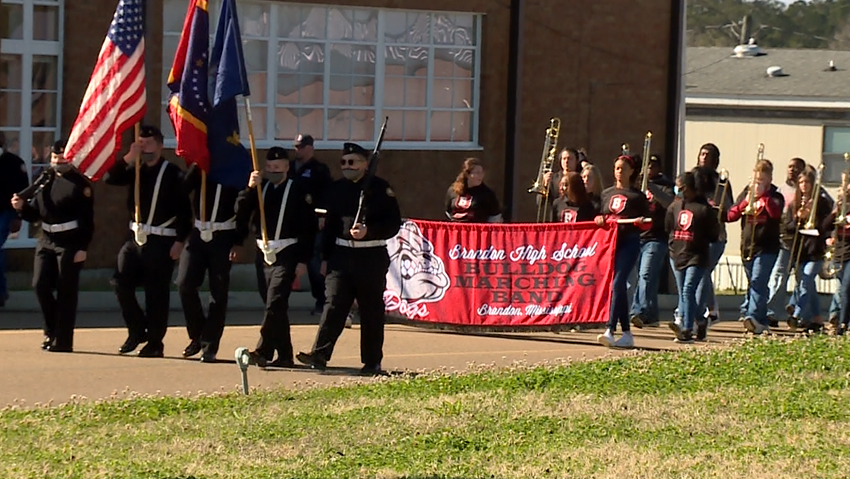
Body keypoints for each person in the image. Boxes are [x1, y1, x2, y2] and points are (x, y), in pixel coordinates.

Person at [296, 142, 402, 375]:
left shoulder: (380, 189)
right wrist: (324, 257)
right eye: (343, 162)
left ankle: (372, 361)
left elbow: (393, 223)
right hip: (341, 255)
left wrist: (369, 232)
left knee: (371, 310)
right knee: (333, 305)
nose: (347, 166)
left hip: (370, 256)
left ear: (365, 164)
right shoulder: (337, 189)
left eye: (352, 162)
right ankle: (320, 354)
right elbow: (331, 226)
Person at [104, 125, 193, 358]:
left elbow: (185, 211)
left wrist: (180, 241)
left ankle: (155, 342)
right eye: (141, 143)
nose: (145, 148)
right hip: (134, 238)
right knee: (120, 282)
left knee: (156, 293)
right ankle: (136, 330)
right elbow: (110, 178)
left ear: (160, 145)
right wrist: (128, 157)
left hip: (162, 239)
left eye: (149, 143)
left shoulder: (172, 173)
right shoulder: (136, 169)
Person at [10, 140, 94, 351]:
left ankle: (63, 340)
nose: (59, 161)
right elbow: (35, 214)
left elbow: (87, 221)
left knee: (66, 291)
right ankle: (51, 330)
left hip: (70, 241)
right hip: (46, 238)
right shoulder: (44, 180)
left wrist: (82, 247)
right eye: (55, 158)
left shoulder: (80, 185)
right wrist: (21, 208)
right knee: (39, 284)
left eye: (63, 157)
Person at [236, 147, 314, 368]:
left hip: (287, 253)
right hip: (263, 254)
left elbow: (308, 229)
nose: (273, 171)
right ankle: (285, 355)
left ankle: (262, 350)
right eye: (270, 168)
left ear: (287, 168)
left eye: (277, 168)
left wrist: (303, 260)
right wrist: (250, 189)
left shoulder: (298, 190)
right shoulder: (262, 189)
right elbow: (240, 212)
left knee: (275, 301)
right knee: (274, 306)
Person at [175, 163, 243, 363]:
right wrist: (196, 166)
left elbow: (245, 207)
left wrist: (239, 241)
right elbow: (181, 190)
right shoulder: (202, 168)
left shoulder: (235, 166)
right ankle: (197, 335)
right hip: (198, 234)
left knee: (218, 292)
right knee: (184, 283)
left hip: (224, 236)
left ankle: (210, 345)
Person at [595, 154, 650, 349]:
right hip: (610, 244)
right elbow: (600, 215)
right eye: (616, 168)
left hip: (629, 242)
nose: (619, 172)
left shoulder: (637, 197)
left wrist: (640, 223)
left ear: (631, 171)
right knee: (616, 286)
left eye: (623, 168)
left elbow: (648, 222)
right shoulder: (606, 194)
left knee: (618, 283)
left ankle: (610, 329)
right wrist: (599, 219)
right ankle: (626, 332)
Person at [724, 159, 784, 335]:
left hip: (767, 247)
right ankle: (762, 319)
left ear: (769, 179)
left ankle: (753, 318)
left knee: (758, 281)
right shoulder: (746, 193)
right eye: (756, 180)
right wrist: (747, 201)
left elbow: (775, 213)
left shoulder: (775, 195)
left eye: (762, 180)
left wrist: (763, 196)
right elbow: (731, 215)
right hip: (748, 245)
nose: (758, 184)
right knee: (755, 284)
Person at [665, 171, 719, 343]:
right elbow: (668, 227)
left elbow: (713, 234)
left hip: (697, 256)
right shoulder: (674, 207)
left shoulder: (704, 209)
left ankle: (687, 329)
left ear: (688, 188)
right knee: (684, 294)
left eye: (680, 187)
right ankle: (701, 321)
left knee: (688, 290)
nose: (677, 191)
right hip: (677, 254)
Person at [630, 154, 675, 328]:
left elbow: (669, 203)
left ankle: (641, 312)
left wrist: (650, 187)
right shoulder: (635, 186)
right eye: (647, 166)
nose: (649, 169)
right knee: (642, 277)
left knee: (646, 275)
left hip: (657, 237)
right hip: (638, 236)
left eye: (653, 166)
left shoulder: (666, 186)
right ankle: (650, 314)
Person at [784, 168, 831, 332]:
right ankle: (817, 320)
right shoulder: (793, 203)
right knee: (807, 285)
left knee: (806, 280)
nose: (804, 185)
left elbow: (826, 226)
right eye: (801, 182)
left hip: (815, 249)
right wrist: (798, 217)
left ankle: (796, 314)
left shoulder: (822, 203)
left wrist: (813, 215)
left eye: (807, 182)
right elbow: (787, 227)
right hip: (800, 250)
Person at [291, 134, 332, 315]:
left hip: (313, 222)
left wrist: (323, 215)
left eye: (300, 146)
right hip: (293, 222)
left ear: (310, 147)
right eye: (295, 146)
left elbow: (327, 196)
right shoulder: (290, 167)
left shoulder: (319, 169)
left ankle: (322, 300)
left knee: (314, 262)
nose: (297, 150)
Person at [694, 143, 734, 326]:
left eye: (708, 155)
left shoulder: (722, 182)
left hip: (716, 235)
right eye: (702, 154)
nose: (703, 157)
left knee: (703, 272)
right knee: (702, 273)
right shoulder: (693, 177)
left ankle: (697, 312)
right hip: (694, 234)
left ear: (715, 160)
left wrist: (719, 207)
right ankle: (712, 310)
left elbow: (729, 208)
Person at [766, 158, 805, 327]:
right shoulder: (780, 191)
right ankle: (772, 312)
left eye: (796, 168)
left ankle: (797, 312)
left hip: (804, 243)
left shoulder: (809, 190)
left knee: (803, 279)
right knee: (778, 276)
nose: (792, 170)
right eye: (790, 167)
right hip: (785, 241)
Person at [0, 132, 29, 307]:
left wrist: (18, 216)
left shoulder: (14, 163)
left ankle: (1, 292)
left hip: (5, 212)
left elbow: (23, 191)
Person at [445, 158, 503, 223]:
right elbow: (448, 212)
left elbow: (495, 216)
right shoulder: (453, 191)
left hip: (476, 231)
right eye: (477, 173)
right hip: (457, 230)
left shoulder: (487, 193)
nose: (480, 176)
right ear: (467, 175)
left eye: (482, 173)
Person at [827, 178, 850, 335]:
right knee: (842, 290)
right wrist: (834, 214)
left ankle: (842, 322)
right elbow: (825, 226)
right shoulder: (840, 206)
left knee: (846, 288)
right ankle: (840, 320)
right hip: (839, 252)